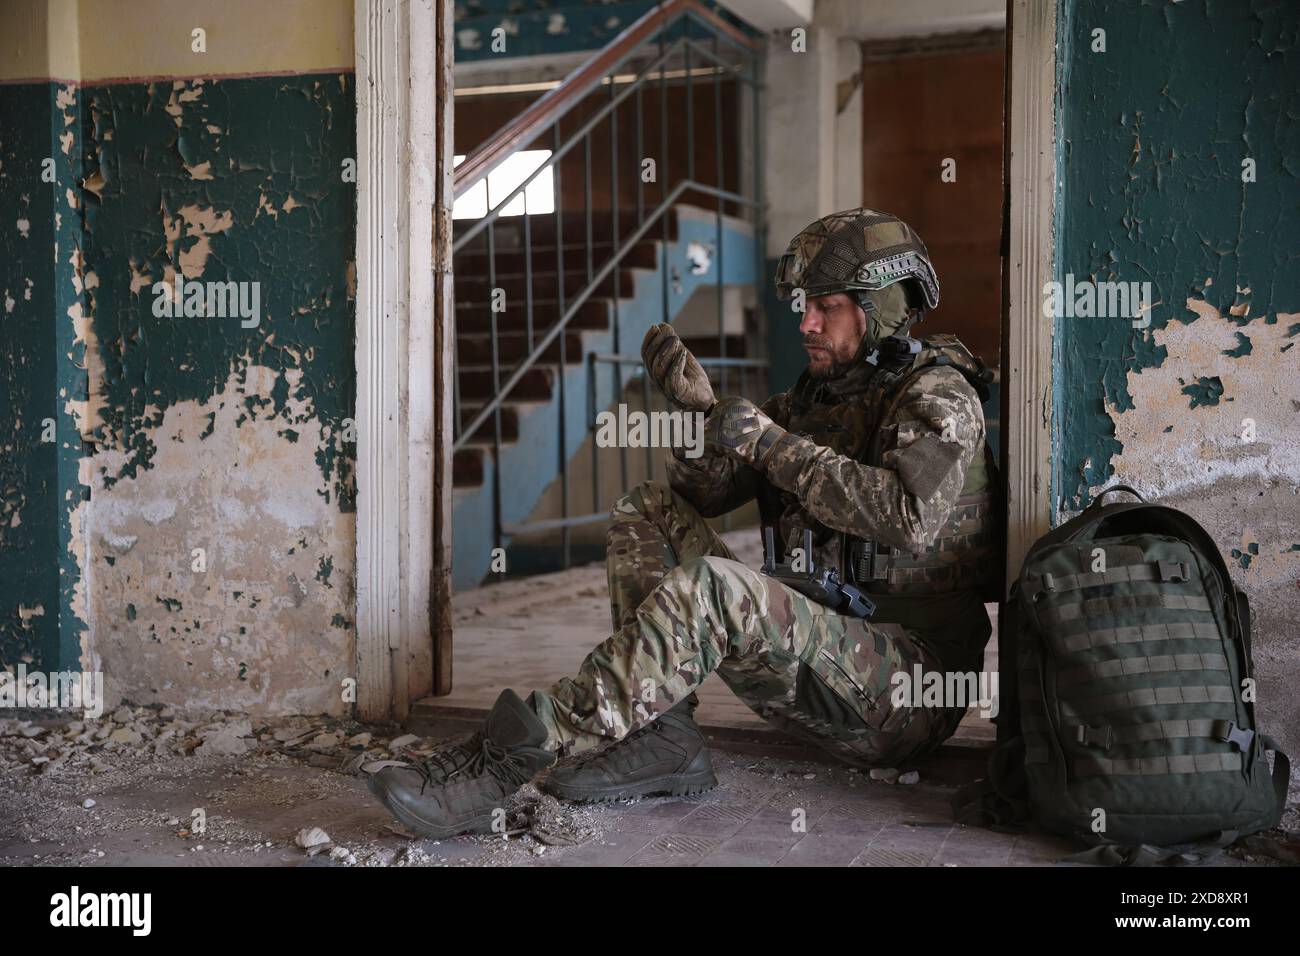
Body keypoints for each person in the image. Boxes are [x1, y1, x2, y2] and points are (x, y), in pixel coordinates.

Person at [367, 207, 1001, 839]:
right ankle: (662, 735)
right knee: (648, 508)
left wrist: (768, 442)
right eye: (805, 304)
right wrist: (700, 420)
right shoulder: (816, 401)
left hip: (905, 692)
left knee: (719, 589)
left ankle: (509, 756)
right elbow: (709, 492)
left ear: (881, 306)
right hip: (822, 655)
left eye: (826, 306)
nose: (806, 322)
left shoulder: (939, 396)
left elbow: (908, 517)